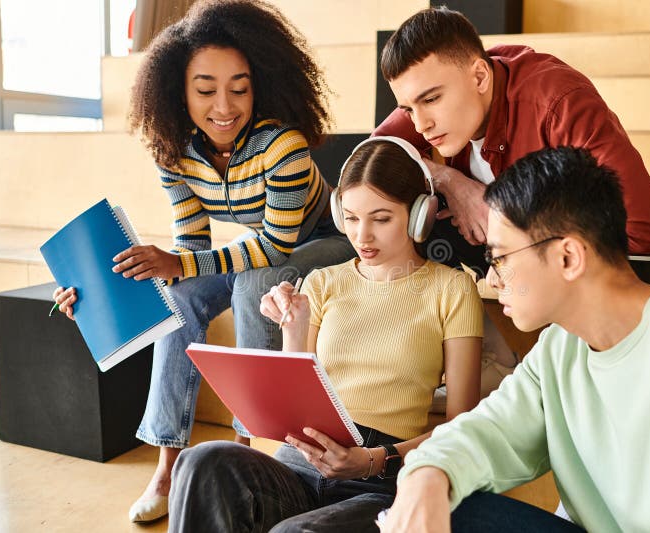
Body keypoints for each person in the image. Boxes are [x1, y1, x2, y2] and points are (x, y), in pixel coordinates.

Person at [51, 0, 355, 522]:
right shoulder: (174, 151)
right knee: (181, 293)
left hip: (326, 240)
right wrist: (103, 290)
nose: (224, 105)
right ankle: (168, 465)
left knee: (253, 283)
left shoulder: (283, 144)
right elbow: (190, 251)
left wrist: (178, 264)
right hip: (263, 247)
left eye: (239, 87)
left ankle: (248, 450)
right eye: (206, 89)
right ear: (178, 89)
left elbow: (275, 249)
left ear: (259, 84)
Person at [380, 146, 650, 533]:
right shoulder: (559, 348)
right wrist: (426, 476)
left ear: (568, 257)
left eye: (500, 258)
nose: (492, 278)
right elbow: (485, 432)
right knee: (442, 503)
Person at [167, 136, 484, 532]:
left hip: (381, 479)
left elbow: (463, 426)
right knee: (203, 460)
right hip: (299, 464)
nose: (362, 236)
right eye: (351, 218)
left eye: (381, 219)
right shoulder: (320, 282)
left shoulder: (452, 289)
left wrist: (373, 459)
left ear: (419, 214)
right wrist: (292, 331)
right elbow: (293, 403)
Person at [374, 6, 650, 281]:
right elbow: (375, 157)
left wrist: (511, 237)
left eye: (431, 99)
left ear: (480, 77)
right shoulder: (442, 92)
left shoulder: (560, 103)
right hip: (516, 283)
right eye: (408, 109)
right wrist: (450, 182)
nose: (420, 124)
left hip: (603, 283)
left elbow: (640, 232)